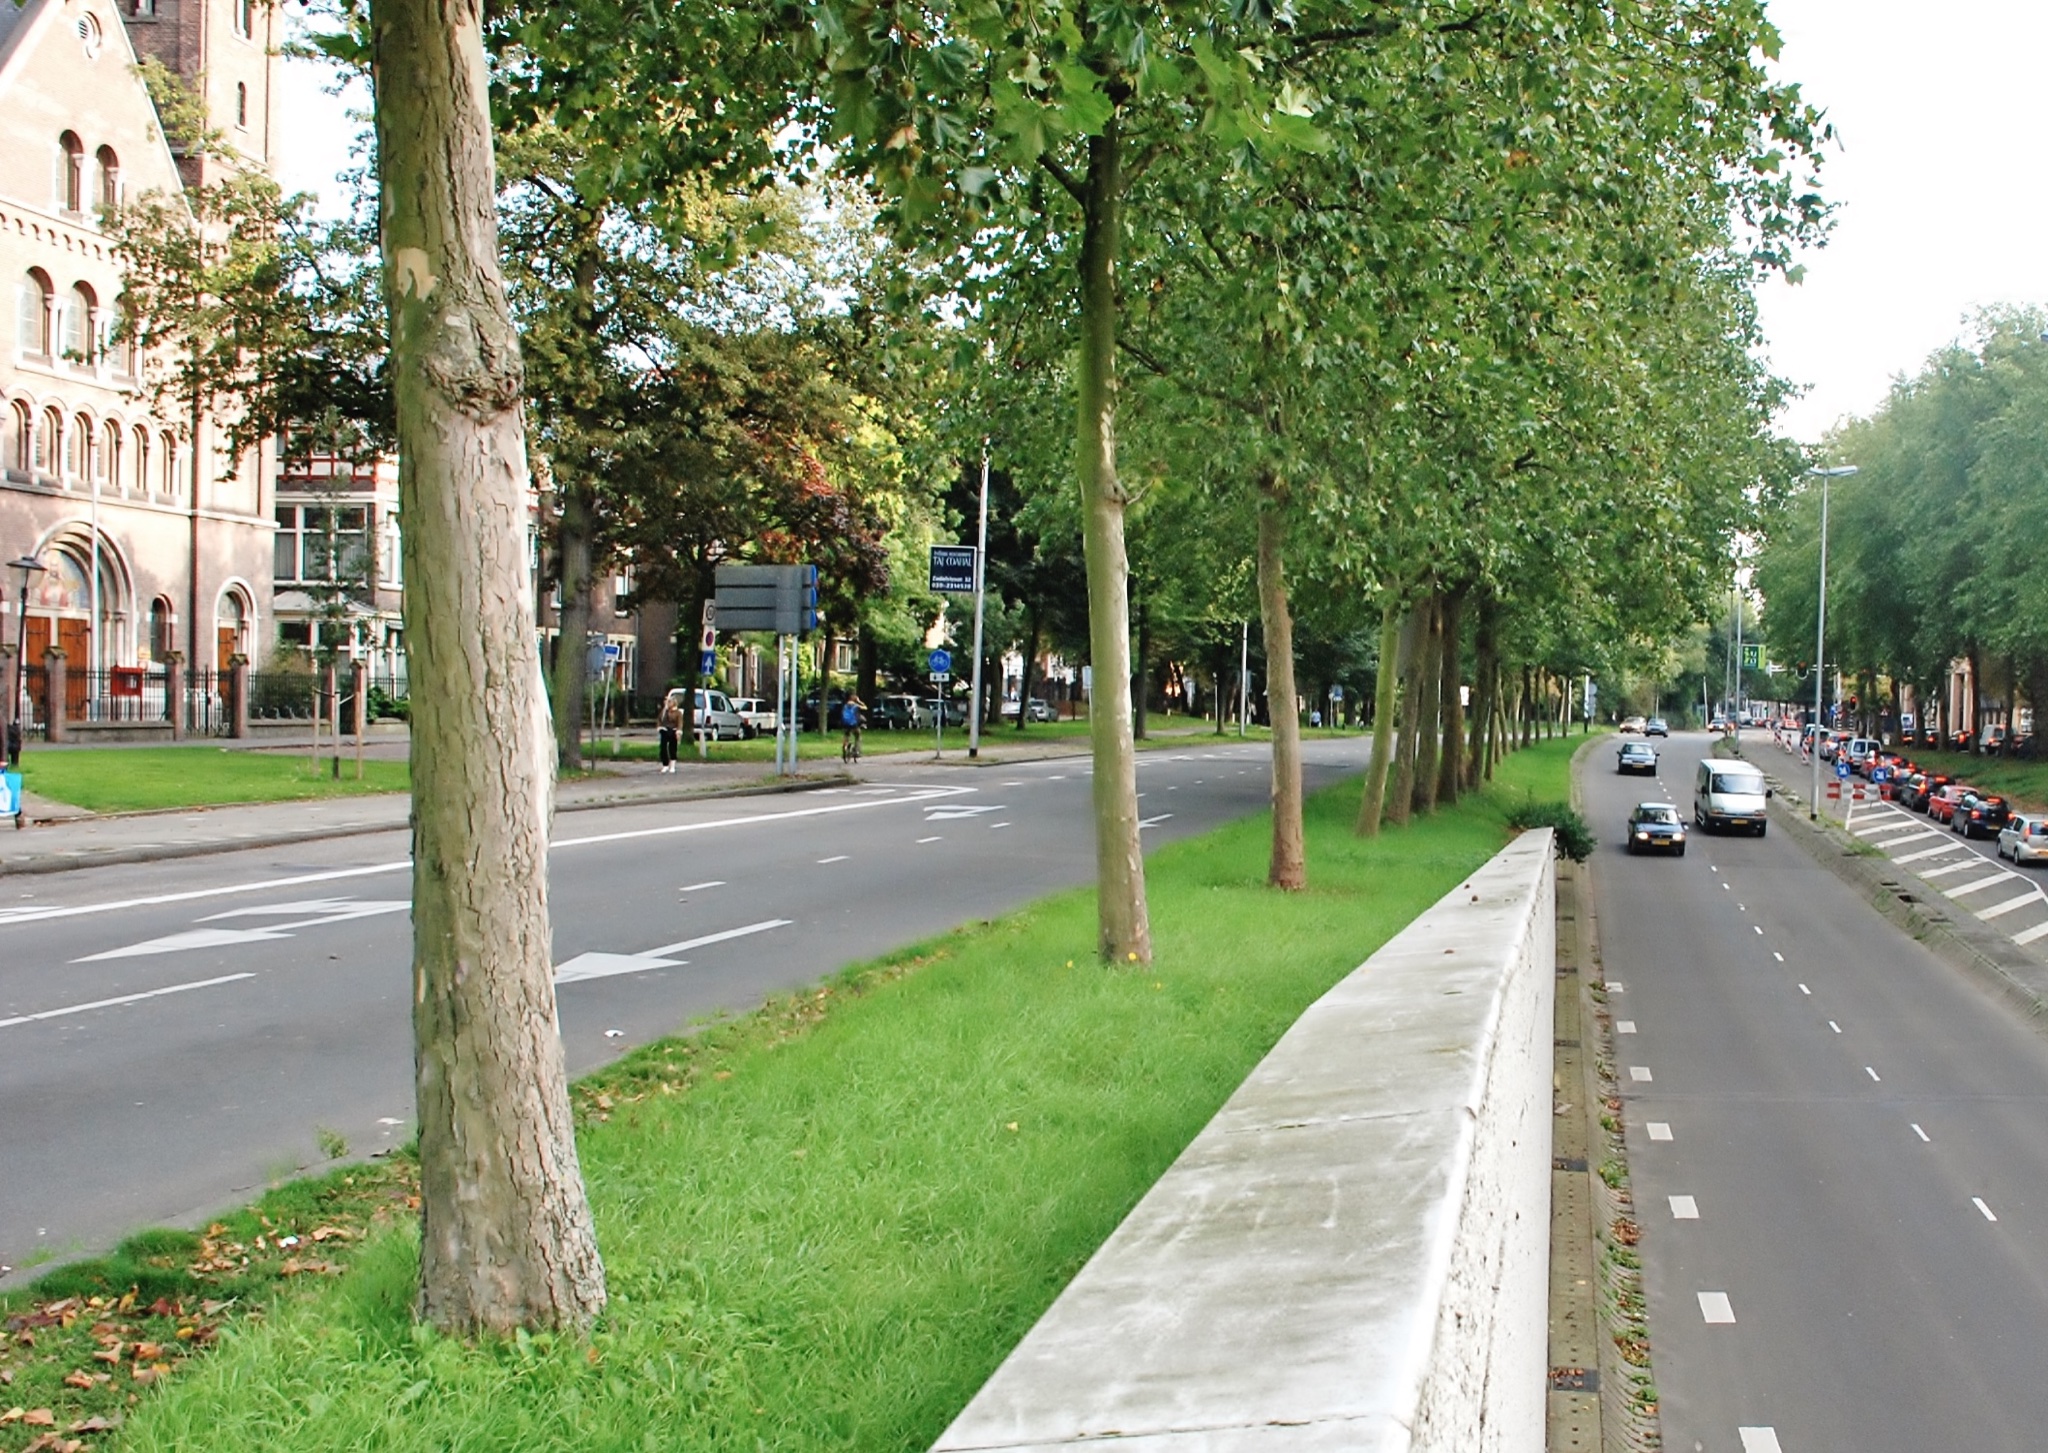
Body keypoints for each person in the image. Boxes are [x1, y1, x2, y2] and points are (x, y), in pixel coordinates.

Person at [657, 694, 683, 773]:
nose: (668, 703)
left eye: (670, 702)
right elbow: (660, 719)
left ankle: (672, 765)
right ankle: (665, 765)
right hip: (665, 730)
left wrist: (678, 731)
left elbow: (680, 723)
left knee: (672, 748)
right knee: (663, 748)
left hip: (673, 731)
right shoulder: (665, 711)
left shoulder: (678, 712)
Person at [840, 694, 864, 762]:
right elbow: (865, 707)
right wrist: (859, 701)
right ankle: (856, 751)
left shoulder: (845, 706)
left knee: (846, 735)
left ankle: (845, 747)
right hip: (854, 725)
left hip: (845, 724)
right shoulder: (856, 706)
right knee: (858, 736)